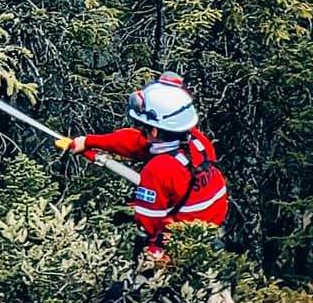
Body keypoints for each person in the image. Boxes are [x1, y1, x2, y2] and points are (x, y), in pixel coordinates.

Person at [58, 74, 228, 262]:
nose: (140, 130)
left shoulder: (158, 170)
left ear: (154, 131)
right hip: (212, 232)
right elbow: (134, 142)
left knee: (132, 288)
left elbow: (149, 223)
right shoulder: (198, 141)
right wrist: (89, 142)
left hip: (177, 246)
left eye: (142, 126)